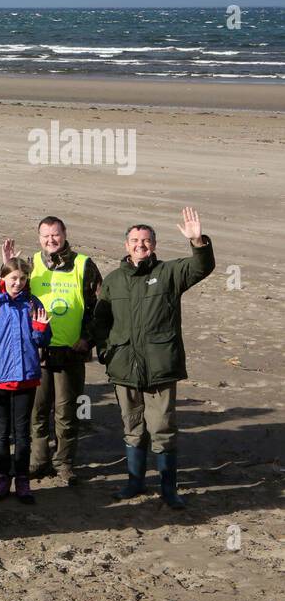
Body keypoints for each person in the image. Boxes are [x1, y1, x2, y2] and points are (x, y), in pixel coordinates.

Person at [95, 208, 214, 509]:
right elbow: (101, 320)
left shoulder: (169, 273)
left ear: (154, 244)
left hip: (159, 367)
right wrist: (105, 351)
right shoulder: (113, 280)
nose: (140, 245)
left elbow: (201, 267)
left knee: (162, 428)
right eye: (135, 241)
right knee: (132, 428)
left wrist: (197, 241)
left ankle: (168, 488)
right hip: (124, 367)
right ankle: (134, 482)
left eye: (146, 240)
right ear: (126, 245)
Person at [1, 218, 103, 488]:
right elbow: (11, 295)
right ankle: (38, 460)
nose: (51, 240)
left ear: (65, 234)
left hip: (71, 352)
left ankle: (64, 463)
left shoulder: (83, 264)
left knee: (66, 413)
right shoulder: (32, 264)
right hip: (37, 353)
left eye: (55, 235)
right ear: (39, 238)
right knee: (37, 411)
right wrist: (7, 265)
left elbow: (99, 306)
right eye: (45, 236)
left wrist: (87, 338)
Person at [0, 258, 52, 504]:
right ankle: (2, 479)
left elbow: (43, 341)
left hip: (26, 379)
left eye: (22, 278)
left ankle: (22, 480)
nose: (18, 283)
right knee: (1, 434)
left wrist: (40, 329)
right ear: (3, 279)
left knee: (22, 434)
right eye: (13, 278)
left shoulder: (33, 303)